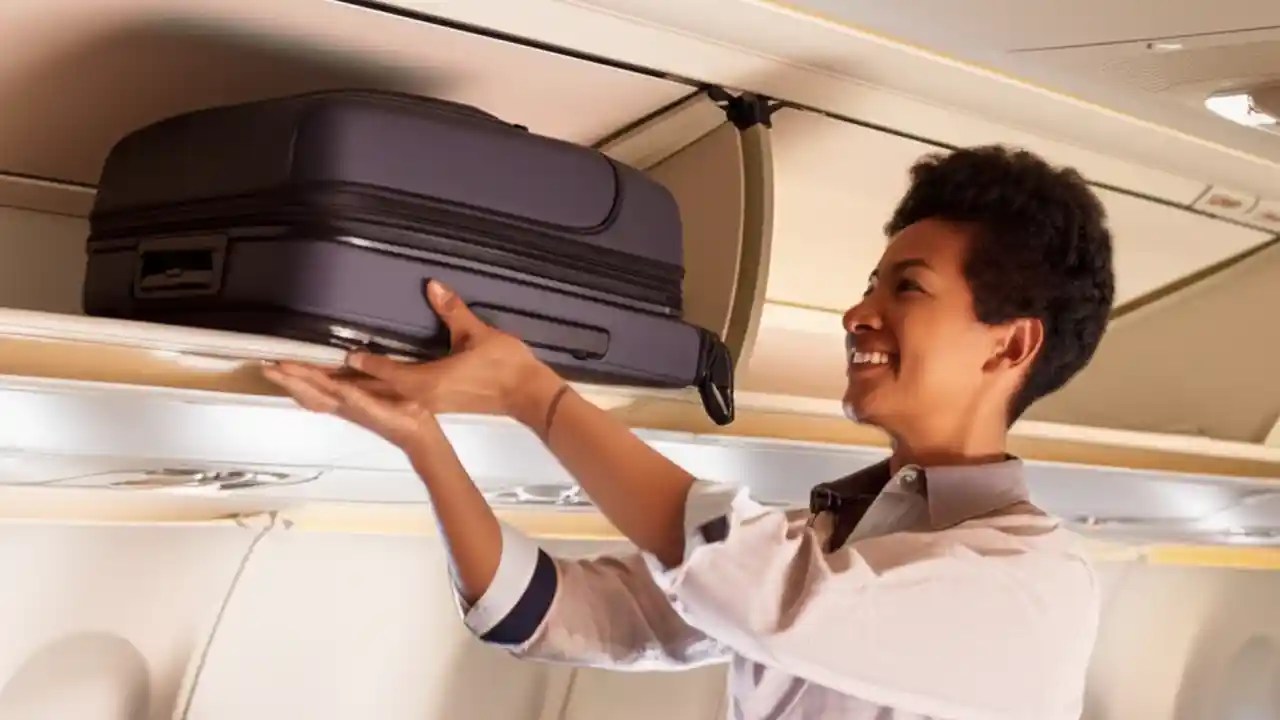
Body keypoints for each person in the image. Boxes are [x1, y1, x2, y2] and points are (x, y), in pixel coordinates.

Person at [262, 144, 1115, 719]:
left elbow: (770, 595)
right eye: (870, 284)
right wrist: (425, 443)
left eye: (908, 289)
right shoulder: (829, 543)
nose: (860, 313)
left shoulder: (1034, 585)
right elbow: (551, 612)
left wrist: (534, 394)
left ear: (1011, 341)